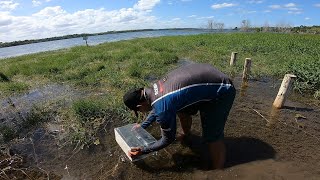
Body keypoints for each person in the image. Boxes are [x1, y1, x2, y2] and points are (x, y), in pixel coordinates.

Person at [123, 63, 236, 169]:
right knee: (180, 109)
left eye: (139, 111)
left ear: (140, 105)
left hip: (222, 90)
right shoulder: (153, 90)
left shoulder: (162, 107)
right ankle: (186, 135)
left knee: (212, 136)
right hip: (208, 78)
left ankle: (219, 170)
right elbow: (158, 106)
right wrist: (143, 125)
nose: (142, 112)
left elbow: (167, 139)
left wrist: (143, 150)